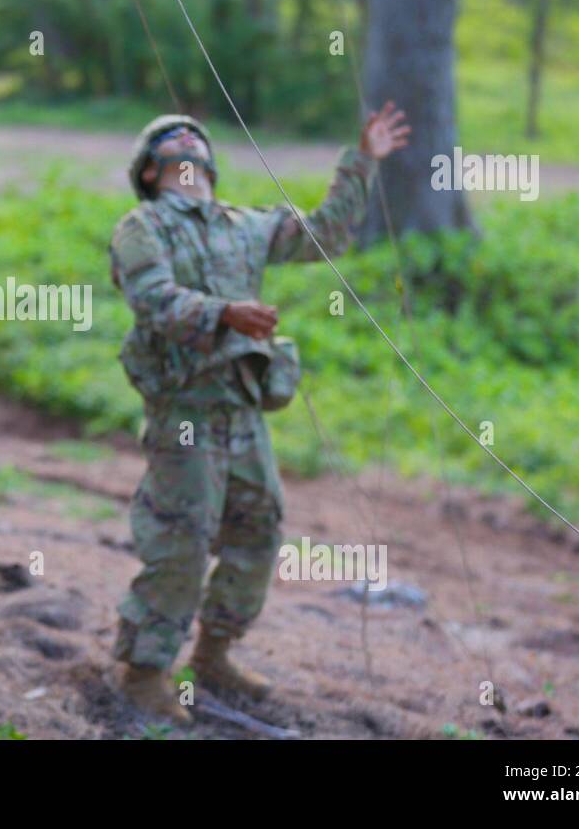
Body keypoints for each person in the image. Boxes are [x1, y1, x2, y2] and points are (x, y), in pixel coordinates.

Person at [109, 105, 410, 724]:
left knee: (258, 528)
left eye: (194, 132)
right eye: (168, 136)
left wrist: (363, 160)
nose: (185, 135)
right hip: (183, 412)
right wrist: (225, 313)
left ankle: (214, 655)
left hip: (241, 410)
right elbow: (154, 299)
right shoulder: (142, 226)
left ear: (211, 161)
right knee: (181, 541)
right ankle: (144, 671)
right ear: (150, 169)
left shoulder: (246, 226)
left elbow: (327, 234)